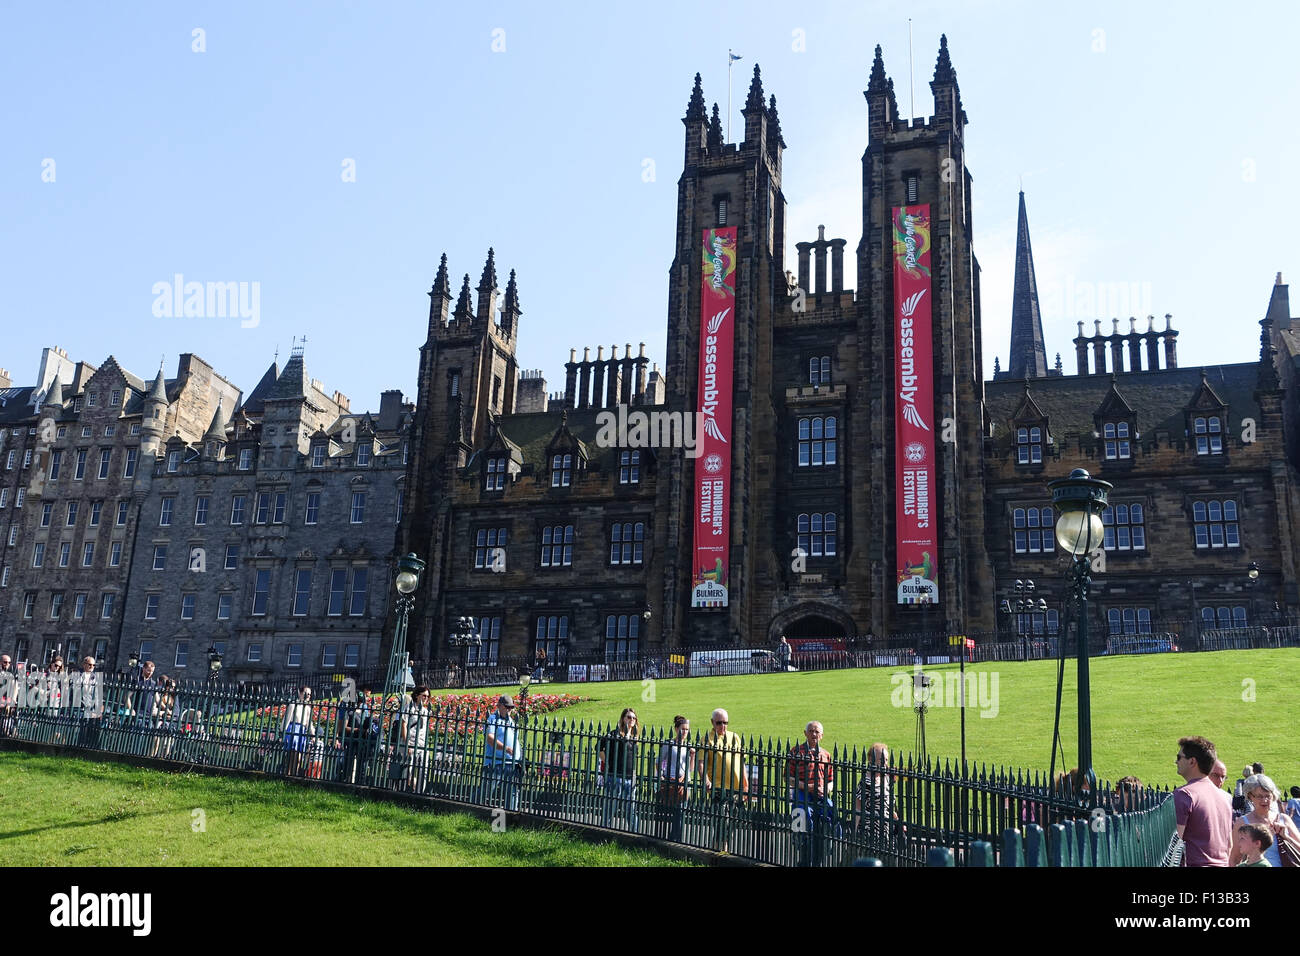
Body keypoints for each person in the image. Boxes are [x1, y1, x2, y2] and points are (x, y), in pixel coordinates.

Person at [1174, 735, 1232, 867]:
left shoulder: (1184, 794)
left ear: (1192, 761)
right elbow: (1229, 844)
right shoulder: (1226, 797)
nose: (1176, 762)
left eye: (1179, 757)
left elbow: (1174, 846)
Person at [697, 708, 748, 853]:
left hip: (736, 789)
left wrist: (746, 784)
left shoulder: (735, 737)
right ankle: (720, 853)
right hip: (719, 788)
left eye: (725, 722)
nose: (722, 726)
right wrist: (705, 781)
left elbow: (741, 762)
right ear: (712, 722)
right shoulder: (707, 739)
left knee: (730, 824)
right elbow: (701, 763)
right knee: (721, 823)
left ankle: (718, 852)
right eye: (719, 723)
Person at [787, 720, 835, 867]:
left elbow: (831, 781)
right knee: (802, 812)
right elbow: (788, 778)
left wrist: (826, 789)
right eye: (811, 731)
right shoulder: (796, 752)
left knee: (831, 811)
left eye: (817, 732)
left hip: (820, 793)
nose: (814, 734)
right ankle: (800, 839)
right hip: (802, 792)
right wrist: (807, 786)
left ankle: (830, 841)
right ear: (805, 733)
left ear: (821, 735)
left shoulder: (826, 755)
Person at [1229, 773, 1300, 868]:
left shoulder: (1284, 819)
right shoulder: (1243, 823)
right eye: (1259, 796)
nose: (1264, 800)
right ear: (1250, 796)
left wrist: (1286, 837)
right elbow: (1235, 858)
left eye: (1268, 796)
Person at [855, 743, 900, 859]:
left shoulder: (885, 778)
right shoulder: (866, 782)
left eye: (885, 759)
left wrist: (897, 820)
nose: (884, 763)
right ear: (871, 759)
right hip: (870, 829)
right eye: (881, 760)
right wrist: (854, 830)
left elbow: (887, 804)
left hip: (886, 829)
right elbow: (858, 807)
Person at [599, 707, 640, 833]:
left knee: (631, 810)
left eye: (634, 718)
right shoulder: (613, 734)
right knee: (610, 807)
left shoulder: (635, 738)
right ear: (623, 719)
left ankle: (635, 835)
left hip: (629, 777)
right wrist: (607, 762)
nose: (631, 719)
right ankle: (604, 833)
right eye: (628, 717)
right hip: (614, 776)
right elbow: (599, 748)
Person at [657, 716, 693, 843]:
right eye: (682, 729)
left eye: (687, 730)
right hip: (670, 781)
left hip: (683, 782)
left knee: (681, 812)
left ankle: (675, 839)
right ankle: (663, 838)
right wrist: (661, 776)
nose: (684, 732)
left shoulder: (688, 746)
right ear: (676, 729)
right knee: (668, 812)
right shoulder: (669, 744)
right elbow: (658, 761)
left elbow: (690, 768)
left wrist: (692, 756)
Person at [481, 693, 519, 811]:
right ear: (500, 706)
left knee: (512, 792)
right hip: (496, 761)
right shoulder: (492, 719)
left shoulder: (511, 721)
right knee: (487, 789)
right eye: (507, 707)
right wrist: (506, 749)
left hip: (512, 762)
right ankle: (473, 809)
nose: (509, 710)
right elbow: (490, 739)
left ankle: (510, 814)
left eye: (511, 708)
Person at [336, 684, 378, 785]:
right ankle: (343, 779)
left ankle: (360, 782)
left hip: (361, 740)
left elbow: (366, 719)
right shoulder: (346, 706)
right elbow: (341, 723)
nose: (359, 704)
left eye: (360, 702)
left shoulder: (364, 706)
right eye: (358, 702)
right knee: (347, 760)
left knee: (361, 762)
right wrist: (336, 737)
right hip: (350, 738)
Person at [399, 686, 432, 793]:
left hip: (422, 745)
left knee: (424, 770)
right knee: (408, 770)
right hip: (411, 743)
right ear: (417, 695)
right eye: (424, 695)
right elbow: (404, 725)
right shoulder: (409, 708)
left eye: (428, 696)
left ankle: (419, 793)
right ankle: (406, 791)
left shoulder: (426, 711)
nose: (426, 698)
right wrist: (407, 744)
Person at [282, 686, 316, 778]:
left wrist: (313, 735)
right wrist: (283, 732)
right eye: (306, 693)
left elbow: (309, 723)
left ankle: (294, 775)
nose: (308, 696)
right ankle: (288, 775)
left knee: (299, 757)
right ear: (300, 693)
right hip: (293, 729)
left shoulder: (308, 708)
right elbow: (286, 719)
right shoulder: (293, 704)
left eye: (309, 694)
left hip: (302, 731)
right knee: (293, 756)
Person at [0, 655, 18, 737]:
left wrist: (11, 701)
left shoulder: (11, 676)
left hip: (6, 701)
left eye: (9, 662)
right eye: (5, 662)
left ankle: (10, 733)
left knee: (10, 713)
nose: (7, 664)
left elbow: (14, 688)